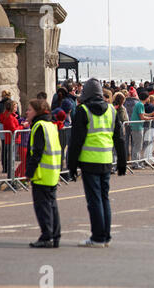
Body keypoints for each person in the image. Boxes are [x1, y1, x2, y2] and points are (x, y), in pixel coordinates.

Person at [68, 78, 127, 248]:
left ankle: (97, 238)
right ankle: (105, 236)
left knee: (94, 201)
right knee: (104, 198)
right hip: (106, 160)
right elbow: (119, 138)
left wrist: (71, 166)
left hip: (89, 160)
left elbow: (76, 142)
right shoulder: (111, 110)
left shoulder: (82, 110)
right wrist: (122, 163)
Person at [25, 99, 62, 248]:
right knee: (52, 205)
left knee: (43, 207)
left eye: (29, 110)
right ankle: (55, 236)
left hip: (42, 173)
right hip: (52, 172)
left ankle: (47, 236)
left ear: (37, 112)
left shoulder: (39, 126)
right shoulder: (50, 125)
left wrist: (29, 172)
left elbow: (37, 152)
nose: (26, 112)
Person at [130, 91, 154, 170]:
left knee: (138, 145)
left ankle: (137, 162)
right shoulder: (140, 104)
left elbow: (143, 114)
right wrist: (152, 118)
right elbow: (142, 117)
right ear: (146, 98)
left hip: (137, 126)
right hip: (137, 127)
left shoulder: (139, 104)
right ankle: (135, 163)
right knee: (138, 146)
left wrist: (151, 114)